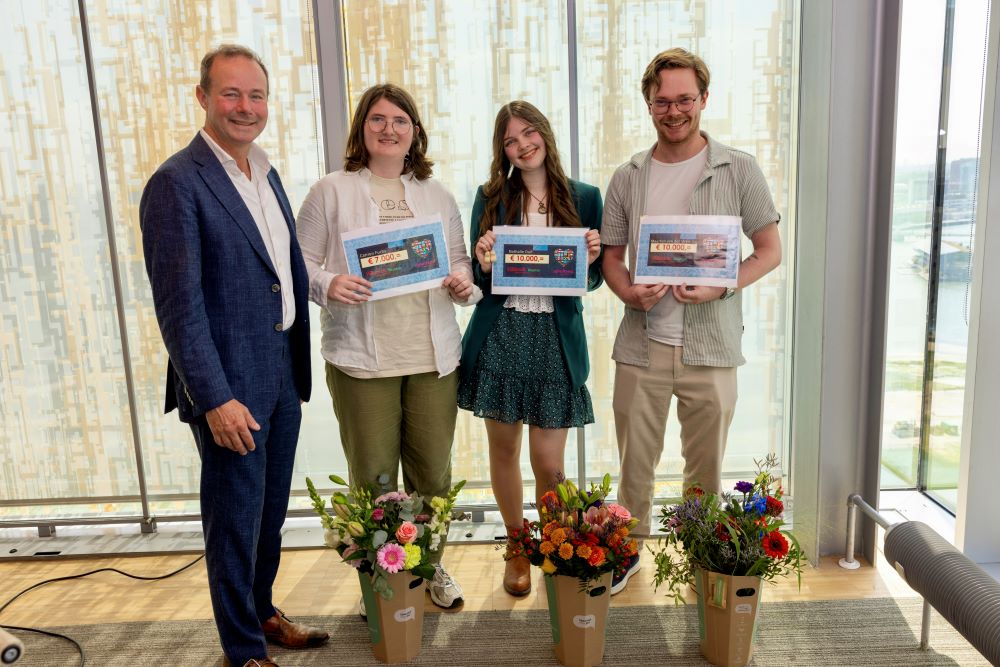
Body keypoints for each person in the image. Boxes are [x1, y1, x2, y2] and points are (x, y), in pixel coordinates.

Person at [140, 45, 328, 667]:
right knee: (234, 518)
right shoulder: (176, 183)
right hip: (228, 384)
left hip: (280, 368)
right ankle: (242, 649)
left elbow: (282, 270)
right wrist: (214, 398)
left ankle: (263, 611)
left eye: (256, 96)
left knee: (269, 511)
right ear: (202, 97)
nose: (246, 107)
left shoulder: (265, 172)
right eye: (231, 94)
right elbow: (180, 308)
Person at [601, 48, 782, 594]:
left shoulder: (739, 168)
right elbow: (611, 255)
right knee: (636, 464)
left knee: (705, 469)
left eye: (684, 99)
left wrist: (722, 283)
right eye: (663, 101)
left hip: (712, 346)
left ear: (704, 99)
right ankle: (627, 554)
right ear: (649, 104)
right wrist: (630, 292)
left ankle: (700, 555)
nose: (674, 110)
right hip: (643, 345)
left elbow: (769, 249)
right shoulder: (629, 176)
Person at [296, 83, 477, 614]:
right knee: (375, 479)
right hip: (362, 360)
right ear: (362, 128)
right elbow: (298, 262)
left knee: (432, 478)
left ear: (415, 132)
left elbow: (459, 260)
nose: (389, 129)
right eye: (378, 119)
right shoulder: (330, 191)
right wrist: (327, 284)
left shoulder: (436, 194)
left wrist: (463, 282)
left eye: (400, 120)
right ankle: (381, 575)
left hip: (432, 358)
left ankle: (427, 566)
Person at [459, 101, 603, 597]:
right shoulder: (490, 196)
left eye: (529, 133)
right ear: (502, 150)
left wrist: (591, 259)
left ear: (545, 133)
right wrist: (480, 258)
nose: (522, 145)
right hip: (501, 334)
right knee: (505, 449)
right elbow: (480, 277)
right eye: (510, 140)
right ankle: (518, 546)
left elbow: (594, 280)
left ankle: (556, 541)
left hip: (555, 342)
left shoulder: (585, 197)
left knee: (549, 462)